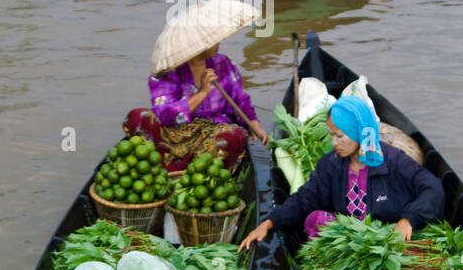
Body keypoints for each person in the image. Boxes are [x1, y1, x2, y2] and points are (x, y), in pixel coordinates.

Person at [238, 96, 445, 250]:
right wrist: (269, 222)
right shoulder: (332, 164)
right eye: (331, 135)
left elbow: (432, 188)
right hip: (352, 238)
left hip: (388, 236)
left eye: (340, 135)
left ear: (358, 131)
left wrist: (407, 220)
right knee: (314, 219)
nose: (334, 143)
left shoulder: (393, 160)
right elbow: (305, 199)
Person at [126, 44, 269, 173]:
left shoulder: (223, 63)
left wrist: (254, 126)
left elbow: (240, 101)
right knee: (139, 116)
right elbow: (165, 115)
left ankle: (200, 175)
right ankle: (163, 169)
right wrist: (202, 92)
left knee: (232, 135)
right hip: (174, 135)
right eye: (210, 40)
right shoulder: (167, 70)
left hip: (213, 132)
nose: (217, 43)